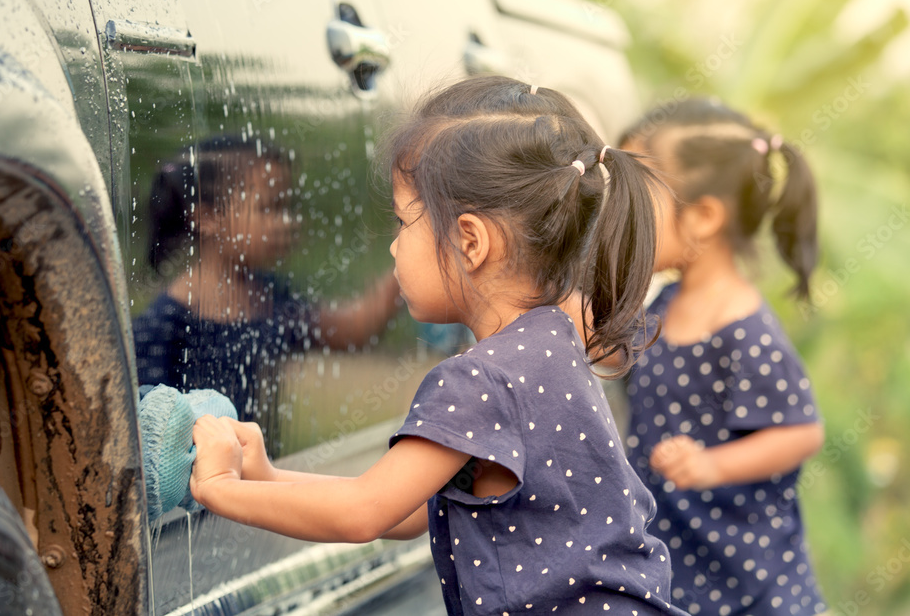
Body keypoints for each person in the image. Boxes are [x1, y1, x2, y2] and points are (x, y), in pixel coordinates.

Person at [189, 76, 690, 615]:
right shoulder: (549, 344)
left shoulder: (480, 379)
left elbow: (365, 511)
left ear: (470, 241)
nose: (393, 245)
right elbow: (406, 510)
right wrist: (266, 477)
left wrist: (220, 488)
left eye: (405, 222)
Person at [619, 98, 827, 615]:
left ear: (704, 217)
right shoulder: (663, 305)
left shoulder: (746, 331)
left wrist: (712, 465)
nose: (619, 216)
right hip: (685, 566)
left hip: (755, 584)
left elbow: (801, 432)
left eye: (635, 200)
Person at [133, 136, 401, 442]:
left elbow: (354, 329)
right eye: (271, 208)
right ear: (207, 217)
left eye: (289, 206)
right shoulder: (161, 330)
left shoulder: (268, 297)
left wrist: (409, 251)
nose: (289, 222)